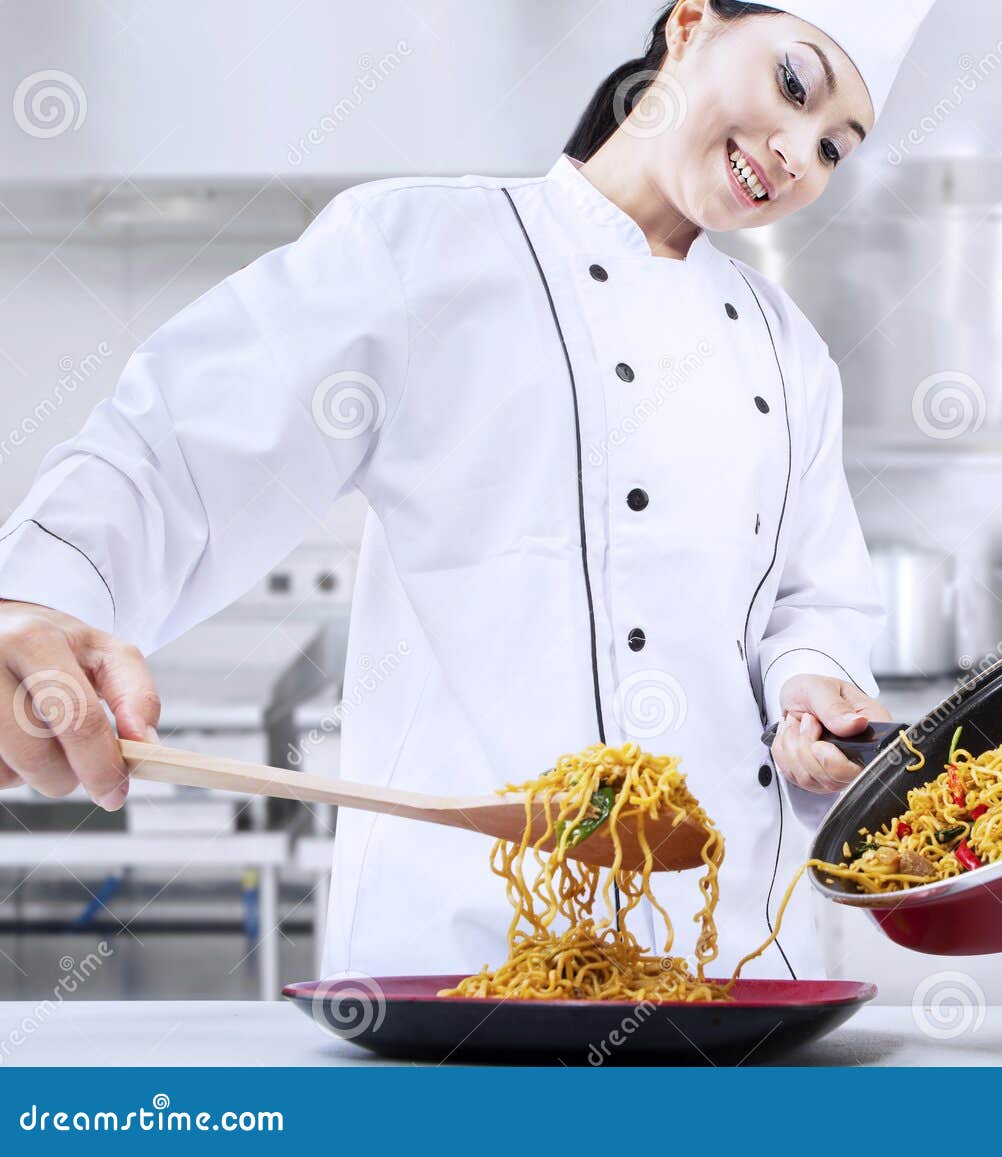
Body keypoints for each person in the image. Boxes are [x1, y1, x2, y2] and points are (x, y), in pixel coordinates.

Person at [0, 0, 934, 979]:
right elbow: (177, 449)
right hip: (458, 977)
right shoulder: (422, 247)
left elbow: (806, 597)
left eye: (835, 147)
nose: (796, 153)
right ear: (691, 24)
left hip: (736, 969)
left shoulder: (791, 353)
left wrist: (807, 687)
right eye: (794, 85)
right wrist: (39, 601)